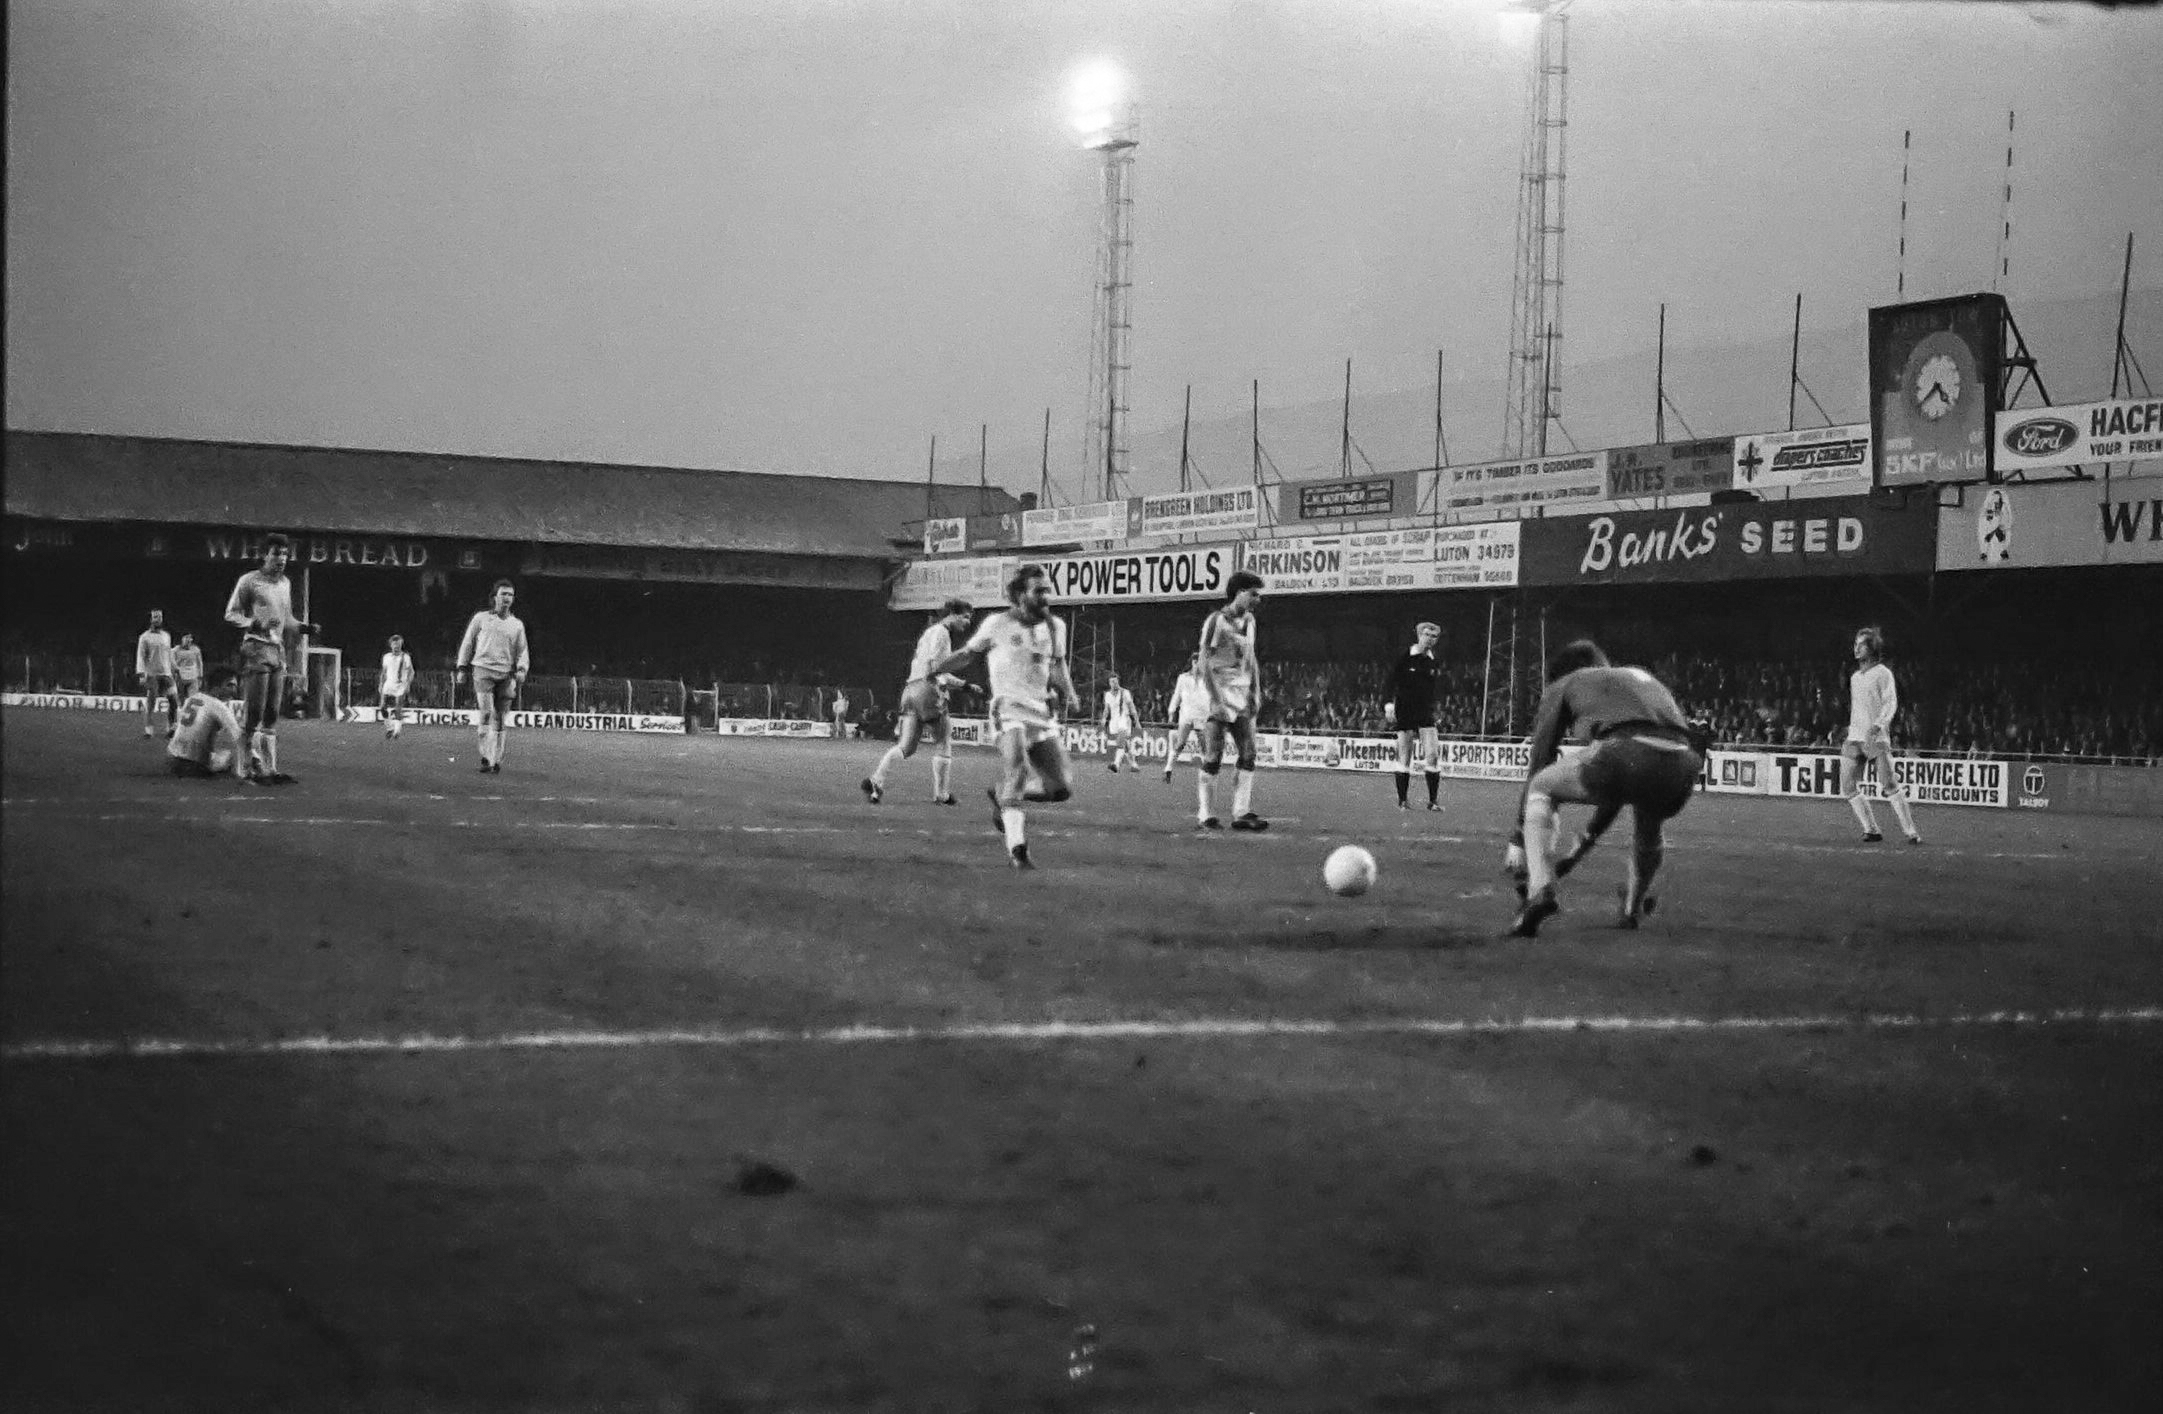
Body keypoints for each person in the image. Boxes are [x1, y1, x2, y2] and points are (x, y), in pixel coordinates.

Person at [1504, 640, 1703, 938]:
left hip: (1624, 751)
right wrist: (1582, 845)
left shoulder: (1569, 682)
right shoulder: (1641, 678)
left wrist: (1519, 837)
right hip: (1683, 763)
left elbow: (1542, 756)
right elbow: (1621, 787)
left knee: (1542, 786)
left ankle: (1539, 889)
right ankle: (1632, 909)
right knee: (1649, 823)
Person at [931, 564, 1077, 869]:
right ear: (1020, 595)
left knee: (1060, 788)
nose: (1046, 596)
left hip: (1040, 711)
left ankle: (1003, 797)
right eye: (1039, 591)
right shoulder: (997, 623)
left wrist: (1070, 692)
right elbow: (969, 654)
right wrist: (937, 667)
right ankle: (1017, 850)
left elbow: (1059, 665)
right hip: (1007, 707)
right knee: (1018, 769)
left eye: (1047, 590)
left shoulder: (1056, 627)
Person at [223, 535, 320, 785]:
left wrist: (305, 628)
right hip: (256, 647)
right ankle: (243, 769)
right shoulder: (249, 581)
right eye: (276, 553)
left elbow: (286, 619)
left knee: (272, 714)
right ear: (264, 554)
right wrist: (252, 622)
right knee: (254, 712)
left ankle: (270, 770)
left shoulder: (285, 583)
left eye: (285, 554)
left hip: (277, 650)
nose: (282, 559)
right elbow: (231, 613)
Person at [862, 598, 973, 805]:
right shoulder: (942, 633)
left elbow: (930, 667)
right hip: (927, 689)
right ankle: (941, 794)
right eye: (965, 617)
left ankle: (877, 779)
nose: (967, 623)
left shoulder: (928, 633)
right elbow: (935, 669)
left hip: (910, 689)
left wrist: (963, 685)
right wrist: (962, 677)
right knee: (943, 741)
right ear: (953, 614)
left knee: (906, 747)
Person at [1195, 570, 1267, 831]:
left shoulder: (1250, 622)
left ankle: (1241, 813)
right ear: (1239, 592)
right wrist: (1216, 700)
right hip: (1219, 696)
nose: (1258, 599)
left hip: (1243, 696)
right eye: (1254, 594)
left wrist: (1256, 691)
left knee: (1249, 753)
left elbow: (1252, 659)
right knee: (1214, 754)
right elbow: (1204, 661)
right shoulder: (1217, 621)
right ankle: (1205, 813)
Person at [1841, 626, 1923, 845]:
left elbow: (1890, 702)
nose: (1856, 648)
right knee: (1847, 785)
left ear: (1872, 647)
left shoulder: (1883, 673)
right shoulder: (1855, 677)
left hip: (1874, 737)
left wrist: (1878, 725)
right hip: (1855, 736)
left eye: (1861, 644)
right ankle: (1871, 829)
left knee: (1888, 783)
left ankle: (1911, 831)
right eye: (1855, 644)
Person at [456, 580, 530, 774]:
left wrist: (522, 669)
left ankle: (496, 759)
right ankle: (486, 756)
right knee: (487, 713)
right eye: (503, 593)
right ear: (494, 597)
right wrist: (462, 667)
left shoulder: (517, 625)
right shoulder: (481, 619)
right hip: (482, 670)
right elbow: (468, 642)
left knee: (500, 718)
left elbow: (522, 650)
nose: (507, 598)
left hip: (506, 674)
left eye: (510, 595)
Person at [1389, 621, 1445, 810]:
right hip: (1405, 709)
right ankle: (1403, 801)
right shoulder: (1404, 656)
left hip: (1425, 712)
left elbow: (1435, 688)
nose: (1430, 639)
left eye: (1434, 636)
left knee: (1433, 755)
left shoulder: (1433, 660)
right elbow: (1390, 680)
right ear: (1419, 635)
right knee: (1405, 756)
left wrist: (1437, 708)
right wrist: (1389, 704)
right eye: (1427, 635)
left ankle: (1433, 801)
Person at [166, 668, 248, 780]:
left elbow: (178, 729)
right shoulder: (218, 706)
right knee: (228, 755)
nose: (234, 689)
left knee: (216, 752)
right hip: (193, 766)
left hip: (172, 760)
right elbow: (239, 737)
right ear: (217, 687)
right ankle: (241, 771)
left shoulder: (192, 698)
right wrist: (240, 770)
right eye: (230, 685)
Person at [1163, 653, 1213, 782]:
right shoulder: (1183, 678)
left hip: (1201, 716)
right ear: (1192, 663)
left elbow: (1212, 696)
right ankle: (1168, 769)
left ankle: (1207, 773)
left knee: (1204, 746)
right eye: (1196, 662)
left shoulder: (1207, 679)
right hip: (1186, 715)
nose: (1199, 665)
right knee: (1180, 744)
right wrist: (1171, 710)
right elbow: (1177, 695)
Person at [135, 609, 180, 738]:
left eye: (160, 617)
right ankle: (148, 730)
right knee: (151, 702)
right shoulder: (145, 637)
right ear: (151, 619)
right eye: (155, 617)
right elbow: (141, 656)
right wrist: (142, 674)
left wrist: (174, 667)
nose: (158, 619)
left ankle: (171, 727)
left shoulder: (166, 636)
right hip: (152, 674)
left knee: (173, 700)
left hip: (166, 674)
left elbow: (169, 654)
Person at [1101, 672, 1141, 773]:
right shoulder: (1108, 695)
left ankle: (1116, 764)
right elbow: (1107, 709)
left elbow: (1132, 707)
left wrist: (1136, 721)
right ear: (1109, 683)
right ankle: (1133, 764)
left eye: (1115, 681)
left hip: (1124, 720)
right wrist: (1104, 718)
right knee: (1124, 744)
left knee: (1120, 742)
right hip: (1114, 722)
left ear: (1118, 681)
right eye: (1111, 682)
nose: (1114, 684)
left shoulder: (1125, 693)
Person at [379, 634, 415, 736]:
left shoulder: (405, 657)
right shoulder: (386, 657)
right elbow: (383, 672)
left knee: (398, 708)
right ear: (391, 645)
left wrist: (408, 684)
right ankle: (389, 727)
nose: (396, 647)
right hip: (388, 684)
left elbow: (411, 672)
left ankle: (397, 730)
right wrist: (381, 684)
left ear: (401, 645)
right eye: (394, 645)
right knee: (382, 707)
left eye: (398, 645)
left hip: (400, 686)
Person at [171, 632, 204, 706]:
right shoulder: (175, 650)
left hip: (193, 677)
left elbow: (199, 663)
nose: (189, 640)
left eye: (190, 638)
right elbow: (172, 662)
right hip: (180, 678)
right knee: (180, 700)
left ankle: (191, 716)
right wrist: (176, 671)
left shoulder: (196, 650)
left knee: (193, 699)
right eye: (186, 637)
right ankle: (179, 714)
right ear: (182, 639)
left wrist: (200, 677)